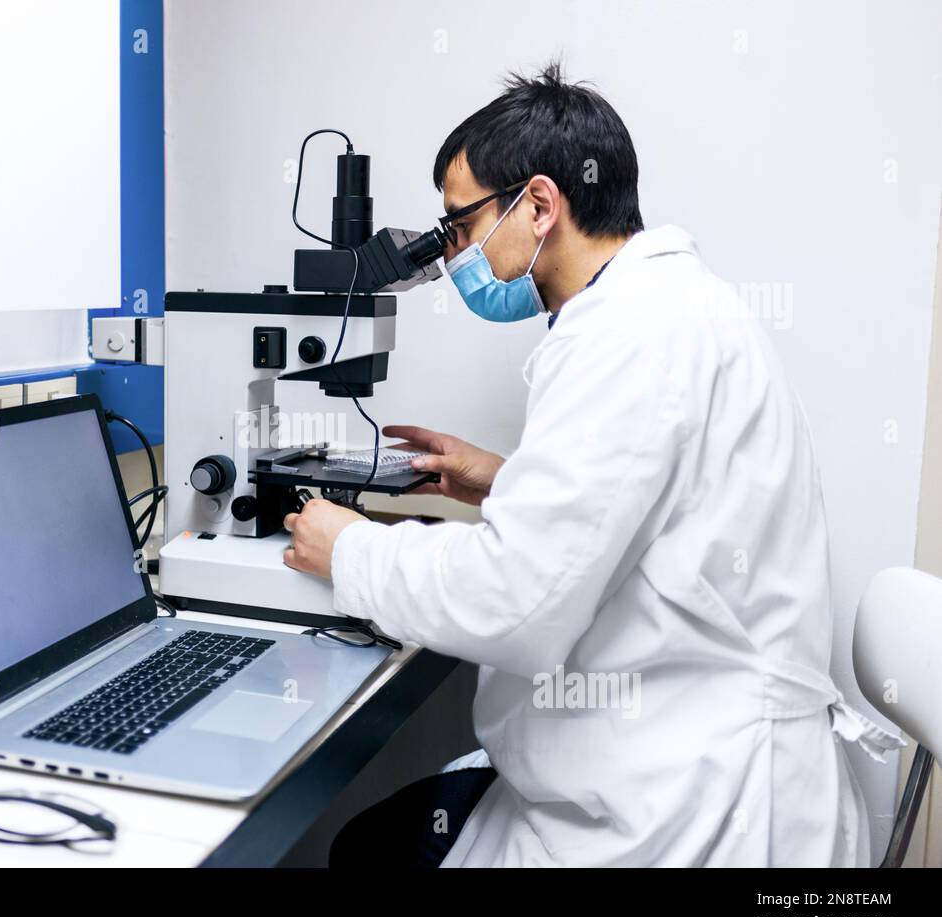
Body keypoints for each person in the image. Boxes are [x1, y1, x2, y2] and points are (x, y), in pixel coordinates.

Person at [282, 63, 902, 867]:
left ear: (540, 203)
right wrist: (506, 478)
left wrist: (350, 548)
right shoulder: (666, 304)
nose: (456, 255)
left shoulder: (627, 337)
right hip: (676, 750)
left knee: (367, 847)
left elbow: (513, 601)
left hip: (685, 804)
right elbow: (665, 513)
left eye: (461, 227)